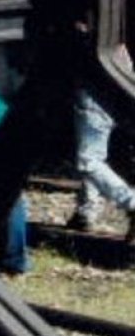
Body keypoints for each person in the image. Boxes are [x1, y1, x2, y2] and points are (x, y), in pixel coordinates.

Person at [68, 87, 135, 243]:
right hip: (122, 84)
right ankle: (86, 211)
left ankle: (129, 201)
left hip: (96, 87)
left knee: (89, 159)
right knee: (95, 157)